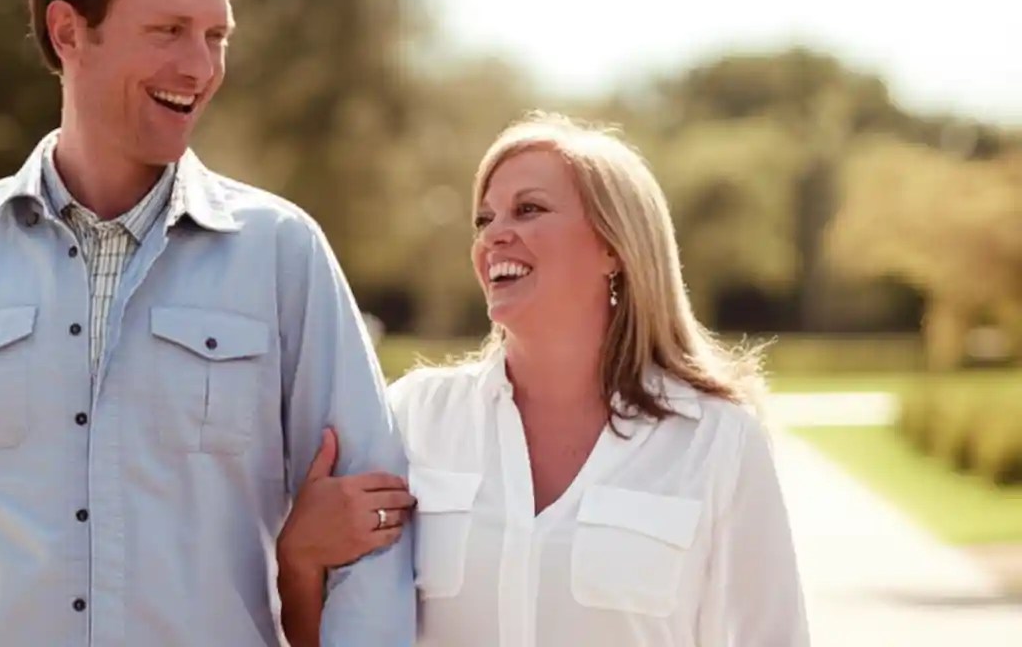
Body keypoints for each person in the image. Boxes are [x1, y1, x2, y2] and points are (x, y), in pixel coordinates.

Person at [0, 0, 414, 645]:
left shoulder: (282, 254)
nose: (199, 66)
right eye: (168, 31)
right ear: (68, 32)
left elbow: (373, 531)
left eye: (216, 35)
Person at [276, 113, 811, 646]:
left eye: (528, 210)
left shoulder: (717, 439)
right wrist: (299, 559)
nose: (494, 237)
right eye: (484, 220)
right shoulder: (414, 419)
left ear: (613, 248)